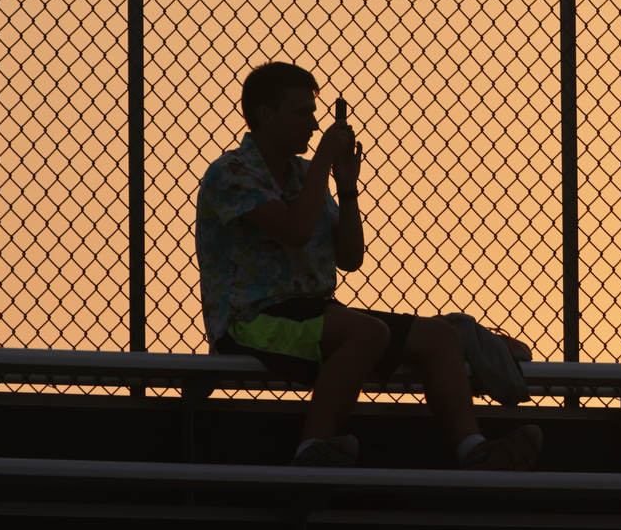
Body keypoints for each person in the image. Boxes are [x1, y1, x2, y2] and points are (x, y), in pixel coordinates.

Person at [193, 61, 541, 471]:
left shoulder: (306, 174)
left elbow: (350, 257)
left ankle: (474, 450)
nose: (314, 124)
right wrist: (323, 163)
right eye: (302, 113)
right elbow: (295, 230)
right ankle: (311, 452)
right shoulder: (231, 172)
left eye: (314, 112)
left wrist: (346, 185)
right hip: (251, 320)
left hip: (314, 314)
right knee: (367, 332)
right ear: (266, 115)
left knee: (441, 336)